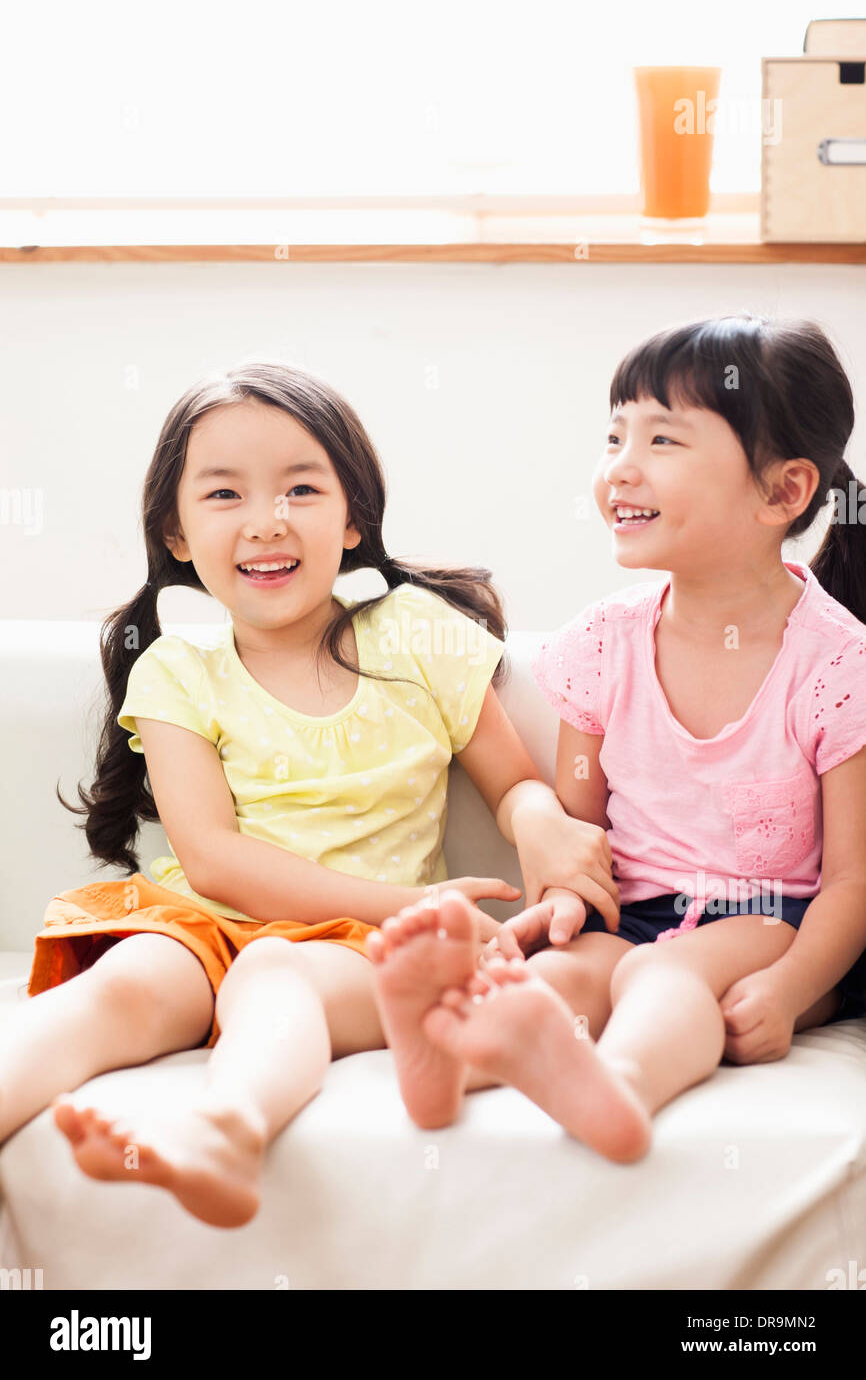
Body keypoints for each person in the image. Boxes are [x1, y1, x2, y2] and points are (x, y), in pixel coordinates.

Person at [9, 362, 619, 1225]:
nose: (268, 522)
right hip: (208, 923)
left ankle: (225, 1133)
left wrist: (543, 824)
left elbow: (513, 779)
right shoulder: (179, 671)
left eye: (301, 488)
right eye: (224, 496)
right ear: (176, 534)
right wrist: (405, 899)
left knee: (274, 972)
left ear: (353, 517)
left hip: (363, 948)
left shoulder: (416, 633)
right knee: (121, 988)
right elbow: (214, 860)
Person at [368, 314, 866, 1164]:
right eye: (614, 435)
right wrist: (559, 905)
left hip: (768, 924)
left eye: (664, 439)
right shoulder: (604, 644)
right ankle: (450, 1059)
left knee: (657, 979)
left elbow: (854, 880)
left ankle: (622, 1088)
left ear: (782, 493)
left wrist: (788, 991)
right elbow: (579, 829)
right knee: (554, 981)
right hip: (629, 914)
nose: (618, 470)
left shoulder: (836, 662)